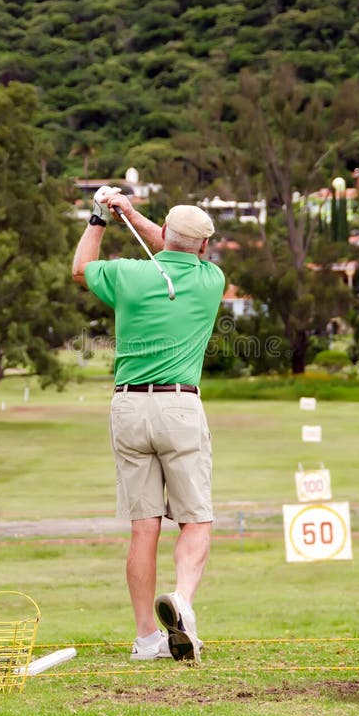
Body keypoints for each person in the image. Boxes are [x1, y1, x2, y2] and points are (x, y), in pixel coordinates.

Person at [72, 187, 225, 662]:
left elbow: (80, 268)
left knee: (144, 528)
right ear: (204, 245)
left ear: (164, 232)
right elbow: (174, 244)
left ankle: (145, 640)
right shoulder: (210, 279)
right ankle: (181, 602)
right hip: (180, 407)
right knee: (196, 520)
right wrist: (134, 216)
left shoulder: (127, 273)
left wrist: (102, 216)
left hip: (128, 408)